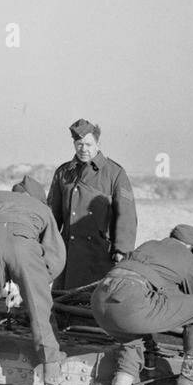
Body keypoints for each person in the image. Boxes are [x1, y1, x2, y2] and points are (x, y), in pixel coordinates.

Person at [89, 224, 193, 385]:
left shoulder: (149, 245)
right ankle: (190, 376)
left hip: (100, 301)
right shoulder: (187, 257)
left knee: (133, 341)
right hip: (132, 303)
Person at [0, 175, 69, 385]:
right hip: (25, 247)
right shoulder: (41, 208)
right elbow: (56, 256)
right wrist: (35, 283)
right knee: (41, 314)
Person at [47, 118, 136, 290]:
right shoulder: (64, 173)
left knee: (93, 305)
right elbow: (52, 215)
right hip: (68, 255)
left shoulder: (114, 173)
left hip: (99, 255)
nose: (83, 149)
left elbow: (126, 215)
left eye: (88, 144)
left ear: (98, 143)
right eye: (79, 144)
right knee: (63, 304)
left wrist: (121, 251)